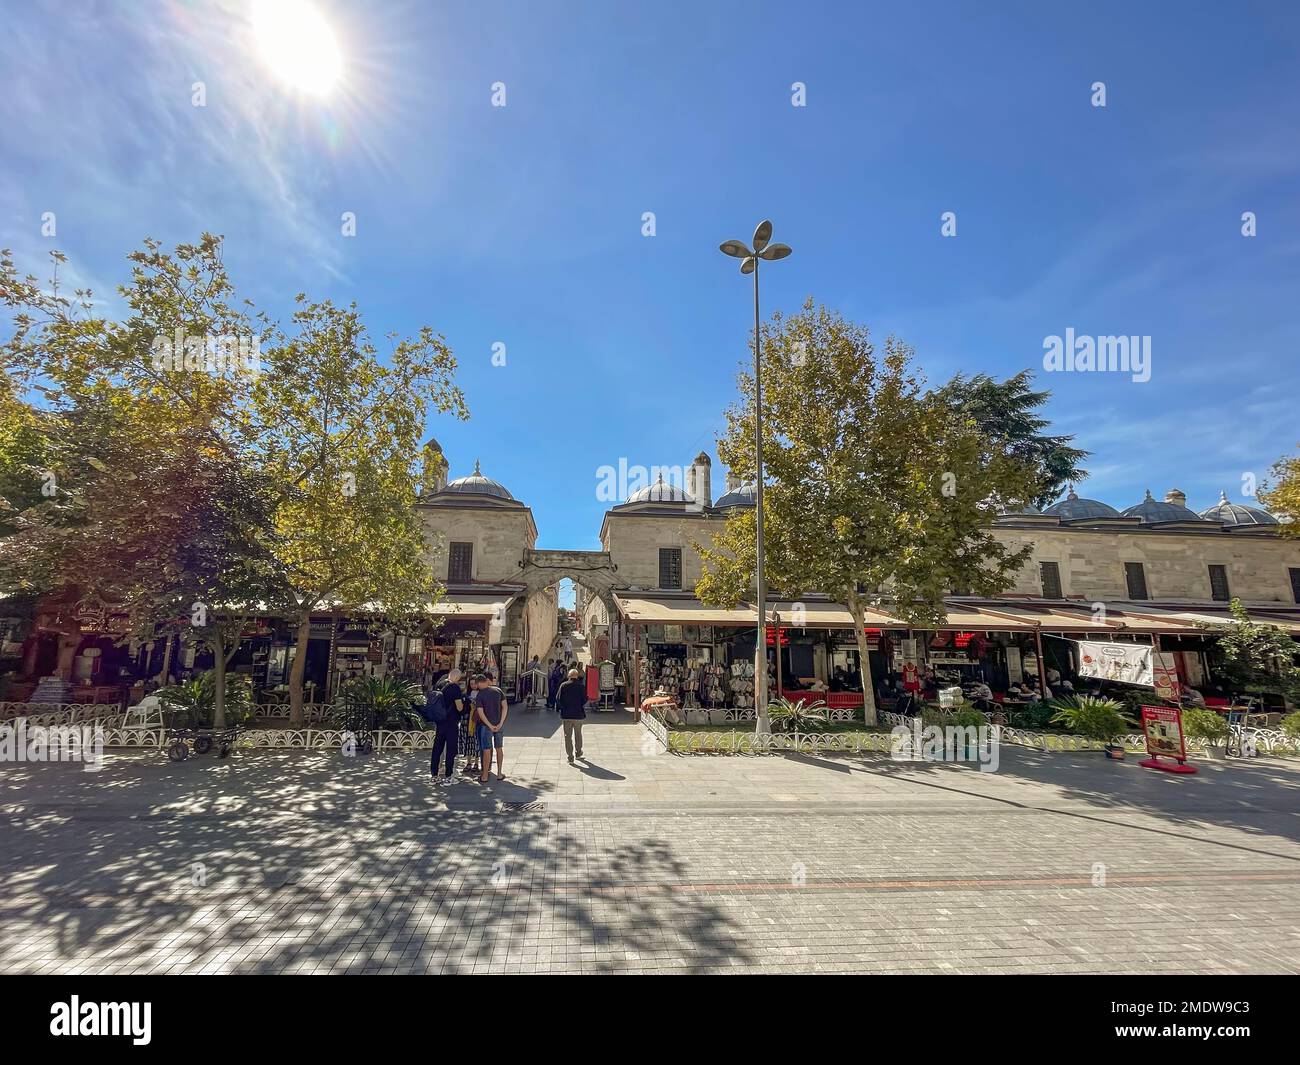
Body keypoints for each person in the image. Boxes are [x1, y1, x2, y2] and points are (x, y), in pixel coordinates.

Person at [429, 668, 464, 784]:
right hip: (451, 722)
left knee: (437, 748)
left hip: (439, 721)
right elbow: (459, 707)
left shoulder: (439, 684)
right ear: (458, 678)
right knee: (450, 749)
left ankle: (434, 775)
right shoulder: (454, 688)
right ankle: (448, 776)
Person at [474, 672, 508, 783]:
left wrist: (489, 725)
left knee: (486, 750)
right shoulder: (498, 691)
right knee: (499, 748)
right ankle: (499, 773)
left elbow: (480, 712)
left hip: (486, 726)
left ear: (479, 683)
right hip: (499, 724)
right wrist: (501, 722)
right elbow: (505, 707)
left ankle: (484, 776)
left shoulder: (480, 695)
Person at [556, 667, 587, 764]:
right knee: (578, 734)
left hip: (567, 715)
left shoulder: (563, 685)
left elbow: (558, 699)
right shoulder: (581, 686)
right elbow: (585, 699)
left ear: (569, 676)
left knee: (567, 736)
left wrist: (563, 707)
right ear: (577, 676)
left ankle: (570, 756)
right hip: (578, 714)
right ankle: (578, 752)